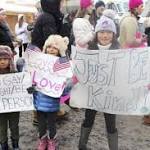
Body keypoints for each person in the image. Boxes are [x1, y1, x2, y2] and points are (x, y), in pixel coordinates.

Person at [27, 35, 77, 150]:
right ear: (45, 48)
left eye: (55, 47)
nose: (51, 49)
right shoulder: (39, 62)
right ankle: (42, 140)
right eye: (49, 47)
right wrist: (30, 87)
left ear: (60, 50)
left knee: (51, 123)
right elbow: (31, 78)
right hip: (39, 100)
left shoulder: (61, 65)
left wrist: (66, 88)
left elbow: (66, 80)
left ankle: (51, 141)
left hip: (52, 101)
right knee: (41, 124)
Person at [78, 14, 119, 150]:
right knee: (88, 119)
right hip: (93, 94)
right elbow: (82, 69)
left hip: (110, 95)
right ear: (96, 34)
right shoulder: (90, 49)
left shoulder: (119, 51)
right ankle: (82, 145)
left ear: (113, 34)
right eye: (101, 32)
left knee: (111, 123)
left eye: (108, 32)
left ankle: (113, 148)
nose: (105, 35)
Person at [0, 45, 20, 150]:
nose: (2, 61)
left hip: (14, 106)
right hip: (0, 109)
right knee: (1, 127)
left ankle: (15, 143)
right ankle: (3, 144)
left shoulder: (16, 74)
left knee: (14, 126)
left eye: (5, 59)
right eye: (0, 59)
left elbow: (23, 87)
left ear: (10, 59)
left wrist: (28, 90)